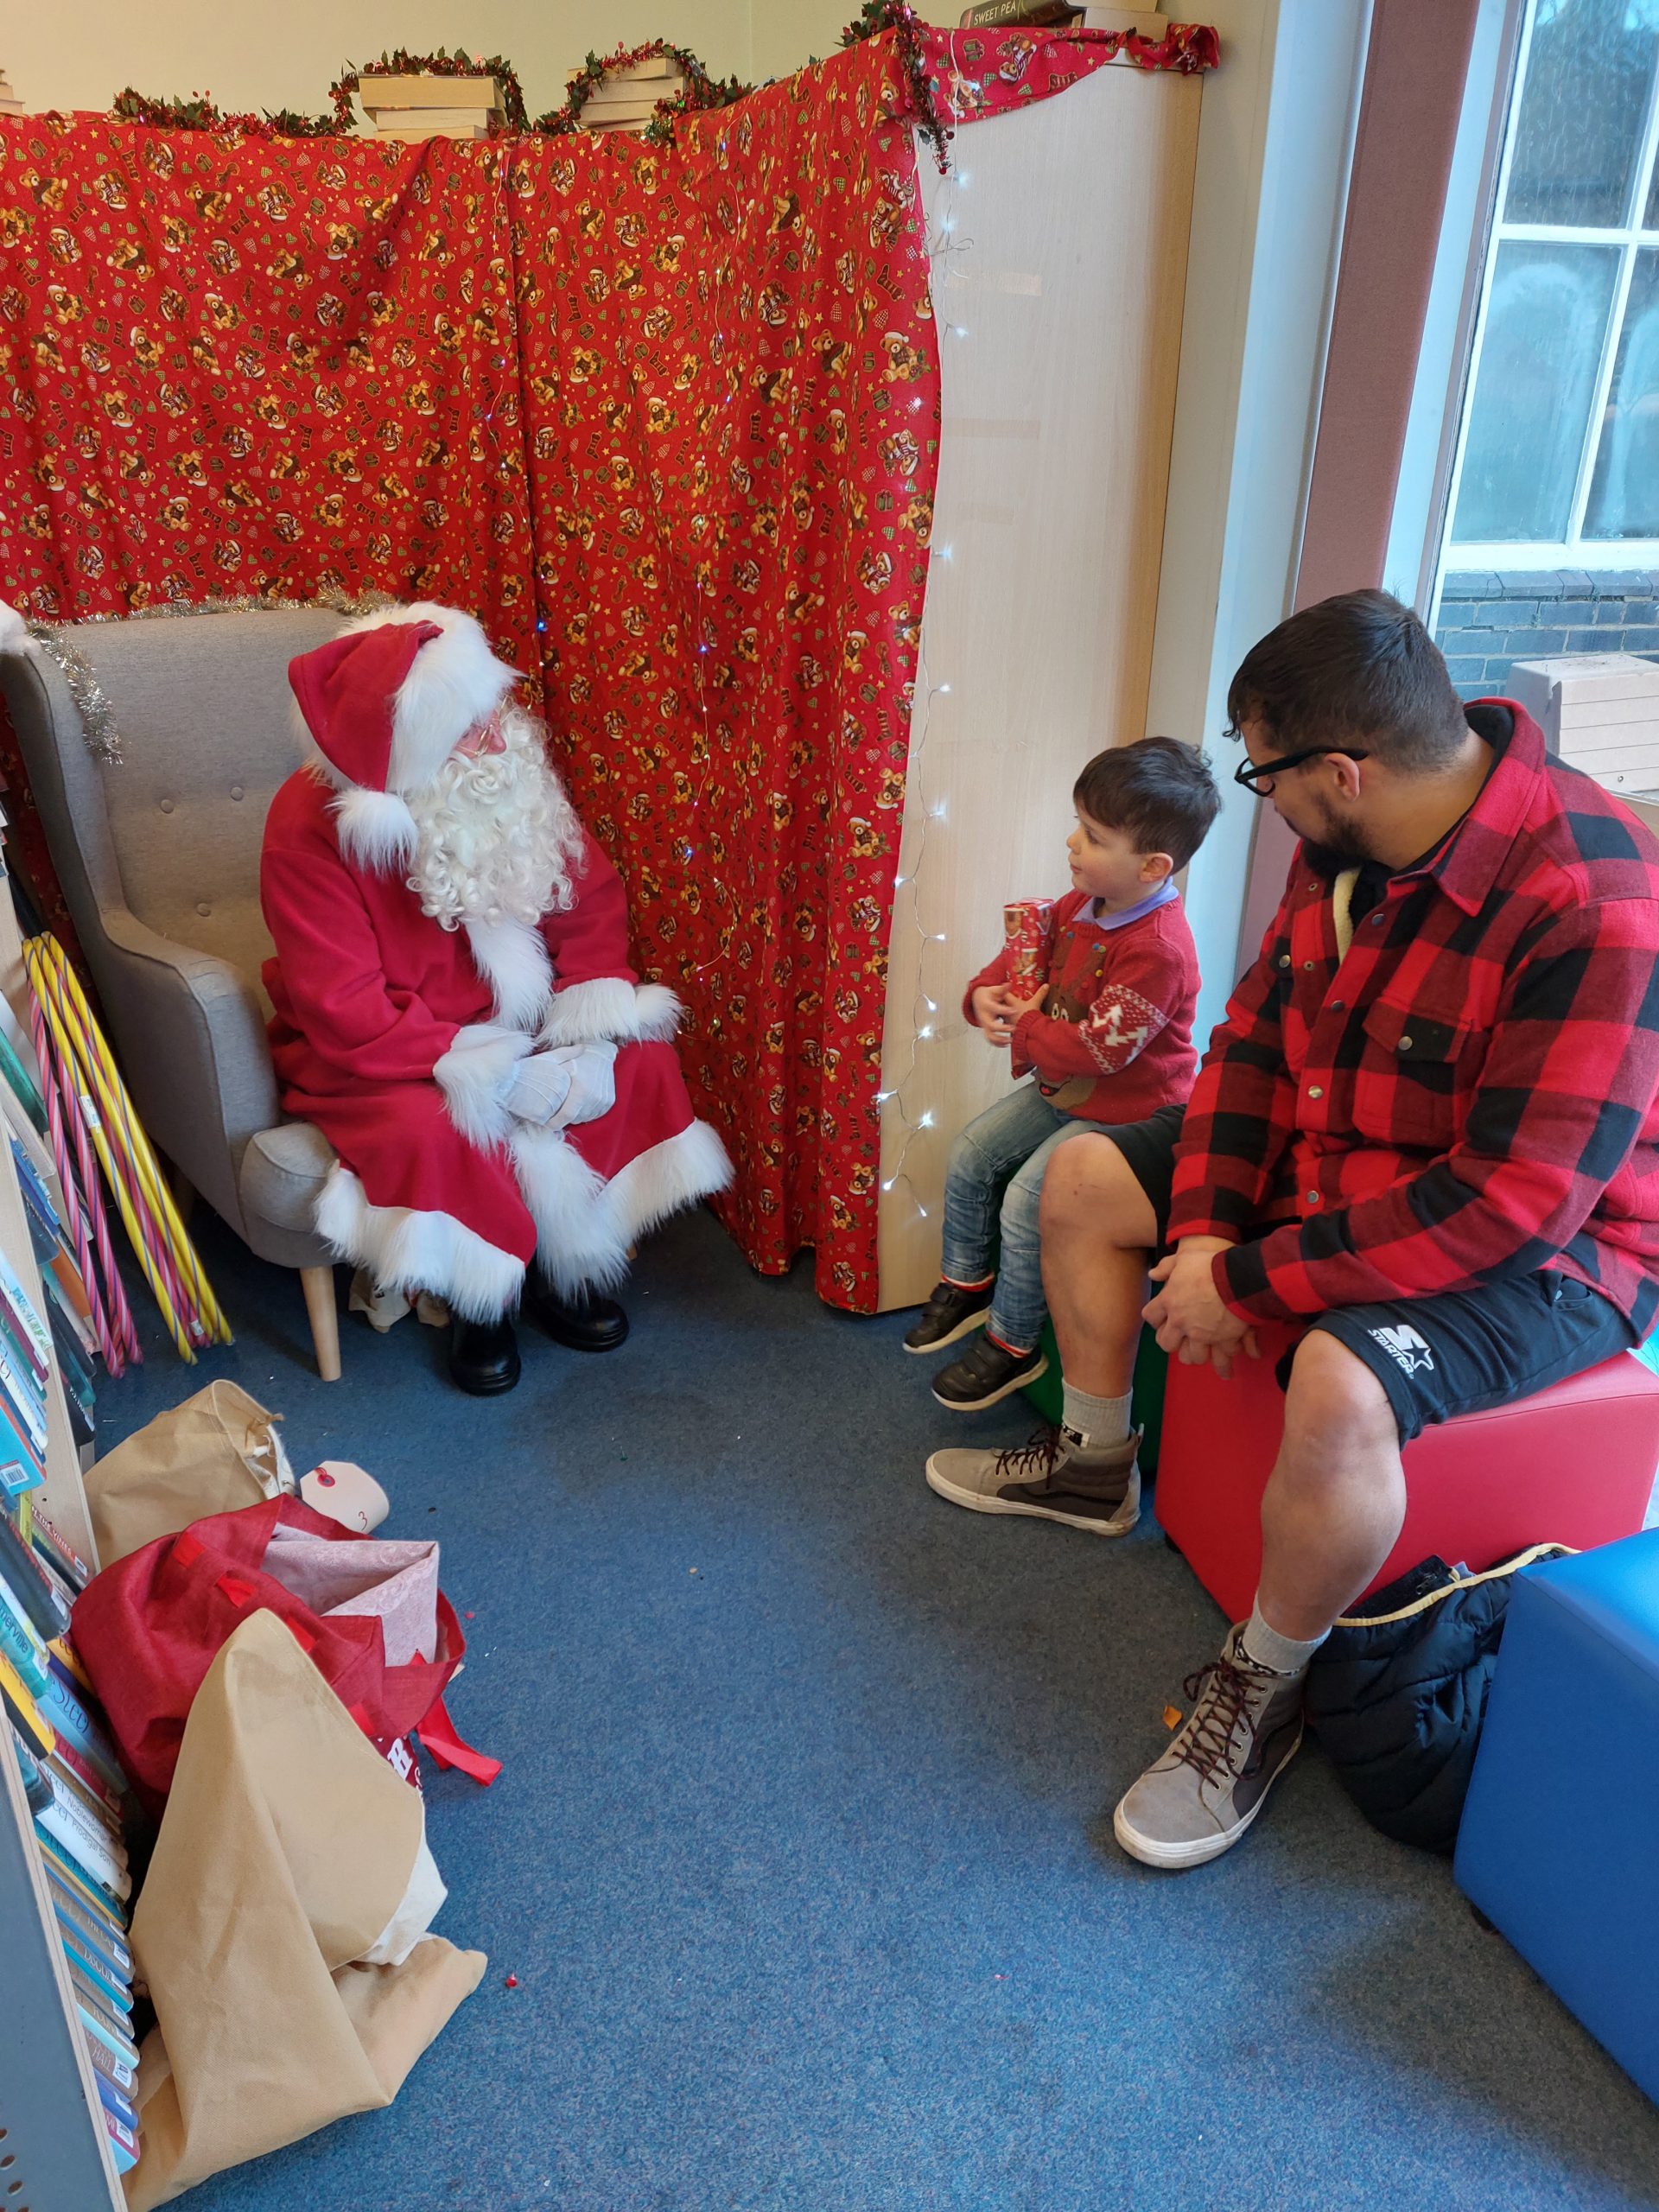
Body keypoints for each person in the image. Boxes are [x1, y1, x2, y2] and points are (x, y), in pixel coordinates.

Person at [925, 589, 1659, 1869]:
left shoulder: (1589, 895)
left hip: (1562, 1250)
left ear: (1341, 770)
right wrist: (1207, 1232)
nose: (1257, 797)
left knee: (1336, 1377)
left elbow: (1511, 1203)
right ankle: (1097, 1467)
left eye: (1264, 773)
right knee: (1089, 1177)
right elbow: (1252, 1050)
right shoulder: (1351, 848)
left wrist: (1254, 1283)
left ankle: (1261, 1686)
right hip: (1346, 1172)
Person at [260, 601, 731, 1396]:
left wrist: (587, 1014)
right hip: (393, 1047)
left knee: (638, 1059)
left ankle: (564, 1274)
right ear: (408, 753)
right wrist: (487, 1068)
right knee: (435, 1125)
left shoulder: (511, 771)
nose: (494, 738)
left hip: (532, 1014)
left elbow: (590, 898)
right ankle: (485, 1302)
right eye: (467, 730)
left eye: (491, 712)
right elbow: (339, 1002)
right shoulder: (309, 825)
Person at [905, 738, 1219, 1418]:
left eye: (1095, 836)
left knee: (1025, 1200)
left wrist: (1021, 1026)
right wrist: (981, 995)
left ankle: (1014, 1343)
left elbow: (1102, 1053)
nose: (1072, 842)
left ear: (1153, 866)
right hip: (1068, 1095)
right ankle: (966, 1283)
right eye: (1079, 824)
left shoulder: (1158, 949)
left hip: (1128, 1116)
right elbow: (1019, 963)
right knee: (971, 1153)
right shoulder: (1080, 904)